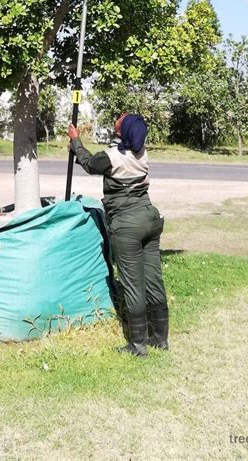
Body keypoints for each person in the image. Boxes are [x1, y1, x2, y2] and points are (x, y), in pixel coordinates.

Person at [67, 112, 169, 357]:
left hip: (127, 225)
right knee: (153, 279)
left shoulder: (113, 157)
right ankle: (160, 339)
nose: (119, 118)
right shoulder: (142, 151)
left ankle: (137, 346)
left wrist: (76, 141)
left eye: (122, 120)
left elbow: (91, 164)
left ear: (122, 132)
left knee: (133, 285)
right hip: (149, 217)